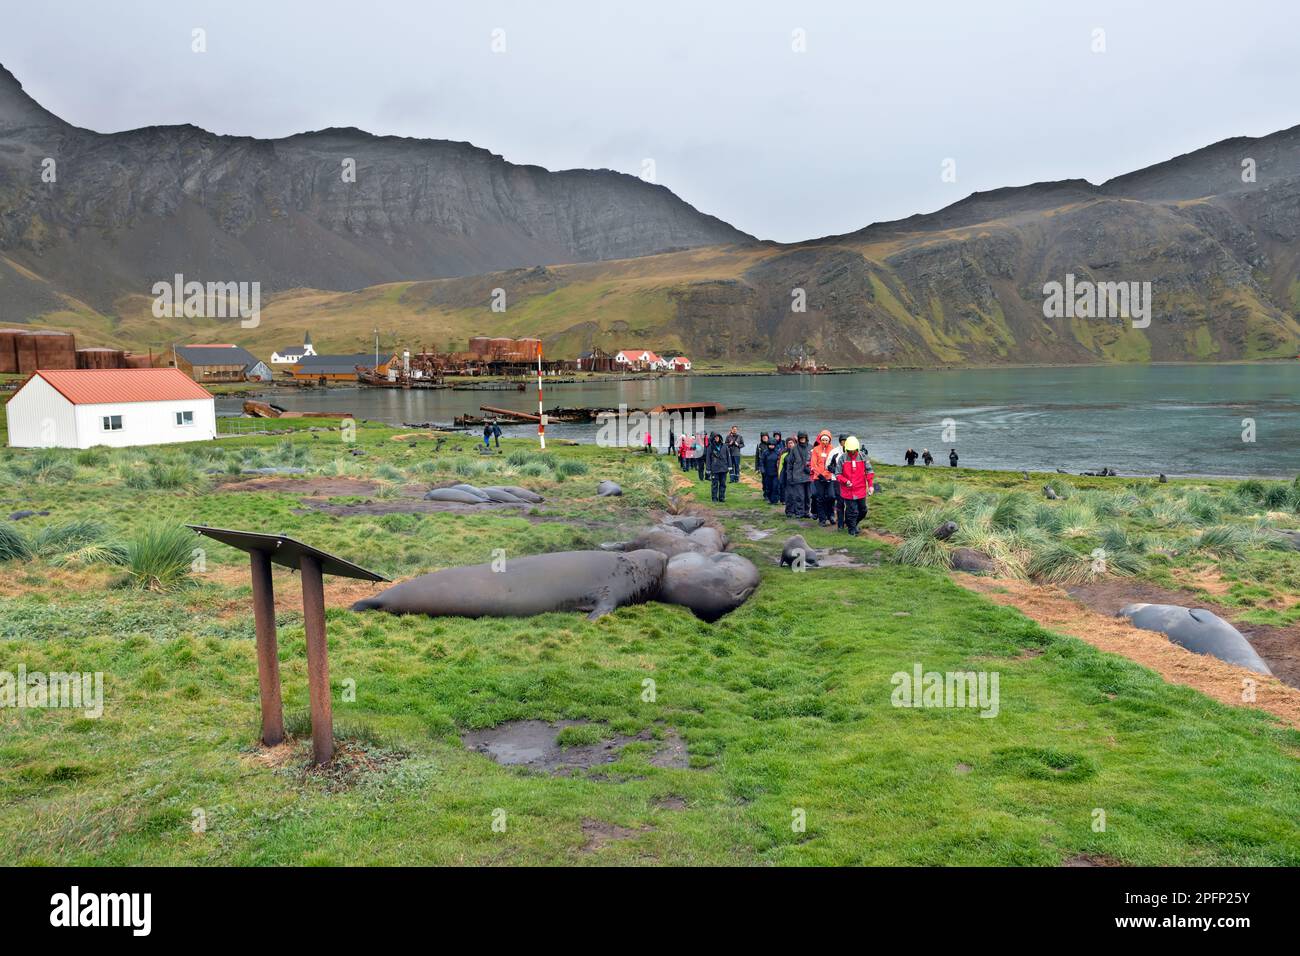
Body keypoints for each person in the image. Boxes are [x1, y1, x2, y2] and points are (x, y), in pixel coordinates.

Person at [835, 436, 874, 536]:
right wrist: (846, 481)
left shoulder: (863, 457)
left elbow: (869, 471)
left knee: (863, 510)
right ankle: (851, 530)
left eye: (853, 450)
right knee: (853, 511)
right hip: (847, 490)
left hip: (860, 489)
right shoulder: (842, 458)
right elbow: (838, 474)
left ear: (857, 448)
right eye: (850, 450)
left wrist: (870, 486)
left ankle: (851, 524)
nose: (852, 452)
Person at [809, 429, 835, 526]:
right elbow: (813, 464)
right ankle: (822, 519)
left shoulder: (832, 449)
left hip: (829, 477)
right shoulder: (816, 449)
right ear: (820, 440)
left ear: (829, 440)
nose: (824, 442)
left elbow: (833, 464)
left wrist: (826, 474)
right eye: (823, 440)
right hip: (818, 478)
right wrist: (820, 475)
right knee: (820, 498)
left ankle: (831, 515)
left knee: (831, 496)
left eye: (826, 440)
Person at [785, 431, 812, 518]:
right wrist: (789, 476)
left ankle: (807, 512)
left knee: (808, 496)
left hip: (809, 476)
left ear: (806, 438)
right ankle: (800, 512)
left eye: (804, 437)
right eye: (801, 438)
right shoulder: (794, 449)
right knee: (800, 496)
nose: (802, 439)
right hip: (797, 476)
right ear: (799, 439)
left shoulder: (811, 447)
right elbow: (789, 464)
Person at [826, 434, 848, 529]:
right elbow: (827, 465)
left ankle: (848, 521)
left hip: (849, 480)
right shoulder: (834, 452)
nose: (844, 442)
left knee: (850, 502)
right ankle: (840, 525)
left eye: (846, 441)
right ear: (840, 441)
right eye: (842, 441)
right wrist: (837, 472)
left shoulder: (851, 452)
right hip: (837, 480)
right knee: (840, 501)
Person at [706, 430, 730, 502]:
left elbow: (728, 456)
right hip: (715, 469)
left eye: (718, 437)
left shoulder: (724, 446)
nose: (717, 438)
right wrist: (708, 469)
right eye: (715, 437)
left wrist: (729, 466)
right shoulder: (710, 447)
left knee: (723, 484)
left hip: (723, 468)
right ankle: (714, 498)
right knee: (714, 484)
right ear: (713, 438)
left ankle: (722, 498)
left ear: (720, 437)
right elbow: (708, 458)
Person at [760, 436, 781, 504]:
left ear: (775, 445)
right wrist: (762, 470)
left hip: (775, 473)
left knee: (775, 487)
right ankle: (770, 499)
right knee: (768, 487)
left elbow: (780, 463)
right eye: (770, 445)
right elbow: (762, 462)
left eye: (772, 445)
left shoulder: (778, 453)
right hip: (767, 473)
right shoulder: (765, 452)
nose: (771, 446)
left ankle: (775, 500)